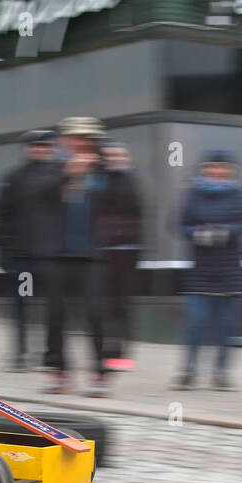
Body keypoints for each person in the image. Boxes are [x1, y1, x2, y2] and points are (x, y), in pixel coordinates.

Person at [173, 150, 242, 391]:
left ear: (231, 171)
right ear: (204, 169)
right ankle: (188, 370)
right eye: (213, 167)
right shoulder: (193, 195)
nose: (218, 172)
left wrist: (226, 231)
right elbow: (180, 223)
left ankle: (222, 372)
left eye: (223, 167)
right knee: (196, 322)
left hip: (229, 268)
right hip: (201, 267)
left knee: (227, 325)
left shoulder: (241, 195)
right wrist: (197, 233)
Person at [44, 115, 109, 396]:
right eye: (74, 138)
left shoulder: (107, 170)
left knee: (95, 314)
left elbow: (122, 203)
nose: (80, 144)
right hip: (58, 253)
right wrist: (67, 174)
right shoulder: (52, 168)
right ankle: (59, 373)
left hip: (93, 255)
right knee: (56, 316)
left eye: (86, 139)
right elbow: (37, 197)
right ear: (65, 141)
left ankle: (99, 373)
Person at [0, 129, 63, 371]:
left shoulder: (62, 176)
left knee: (54, 306)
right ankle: (21, 352)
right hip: (22, 256)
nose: (40, 150)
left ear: (52, 148)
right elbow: (1, 216)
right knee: (21, 306)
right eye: (36, 146)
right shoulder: (15, 178)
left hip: (53, 256)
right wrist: (5, 250)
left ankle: (52, 355)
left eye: (45, 146)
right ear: (28, 149)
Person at [94, 141, 143, 374]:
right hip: (103, 250)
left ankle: (120, 353)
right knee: (105, 303)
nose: (114, 159)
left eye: (119, 155)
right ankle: (106, 350)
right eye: (110, 155)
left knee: (121, 303)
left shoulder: (130, 181)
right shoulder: (99, 181)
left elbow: (137, 213)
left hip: (125, 250)